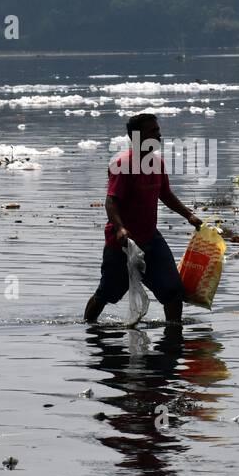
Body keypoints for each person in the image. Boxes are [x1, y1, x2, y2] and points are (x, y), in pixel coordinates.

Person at [84, 113, 203, 324]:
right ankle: (89, 328)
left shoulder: (157, 163)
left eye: (158, 130)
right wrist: (120, 228)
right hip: (123, 244)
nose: (159, 135)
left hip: (151, 239)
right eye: (153, 131)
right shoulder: (123, 165)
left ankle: (173, 335)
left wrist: (189, 216)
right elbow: (111, 201)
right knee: (107, 293)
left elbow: (166, 194)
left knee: (173, 290)